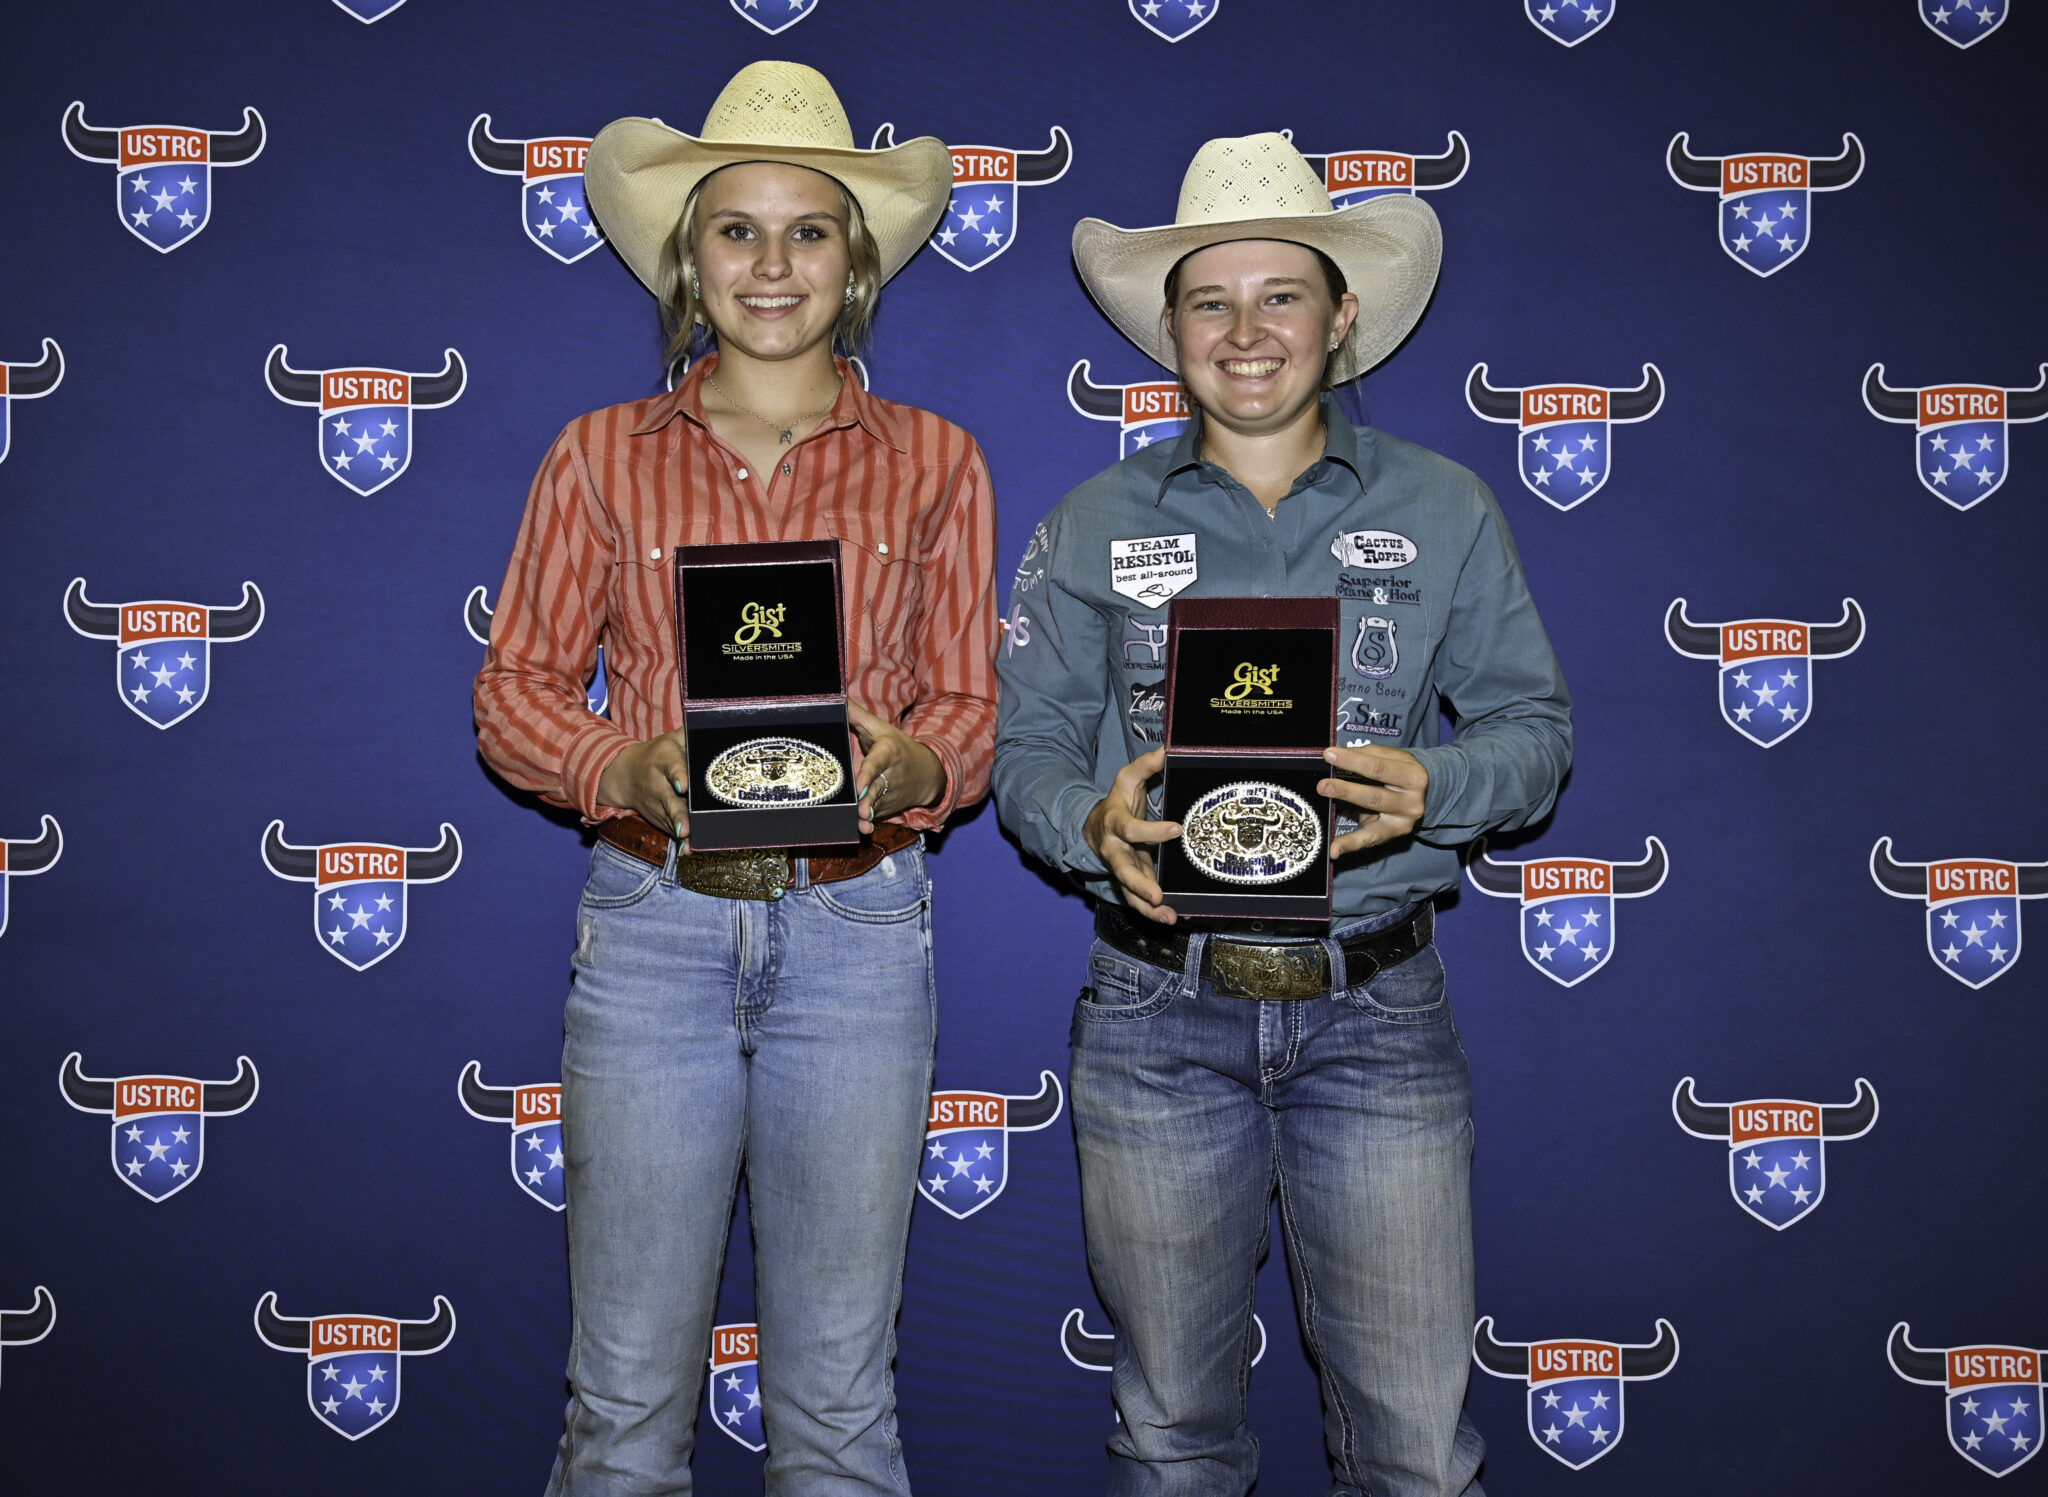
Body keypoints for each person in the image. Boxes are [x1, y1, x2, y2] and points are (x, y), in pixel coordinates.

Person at [992, 133, 1571, 1497]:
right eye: (1210, 301)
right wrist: (1089, 822)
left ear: (1342, 315)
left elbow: (1535, 737)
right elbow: (1026, 754)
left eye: (1281, 297)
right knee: (1172, 1440)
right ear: (1171, 331)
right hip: (1156, 1013)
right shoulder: (1091, 522)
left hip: (1379, 1016)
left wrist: (1441, 786)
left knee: (1415, 1455)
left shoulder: (1445, 507)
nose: (1246, 333)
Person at [474, 61, 998, 1496]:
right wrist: (620, 761)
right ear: (688, 262)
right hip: (654, 924)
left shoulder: (941, 463)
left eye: (809, 230)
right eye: (738, 230)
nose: (774, 264)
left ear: (858, 261)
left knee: (837, 1401)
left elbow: (969, 709)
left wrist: (919, 759)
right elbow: (513, 693)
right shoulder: (596, 456)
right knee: (625, 1401)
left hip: (859, 924)